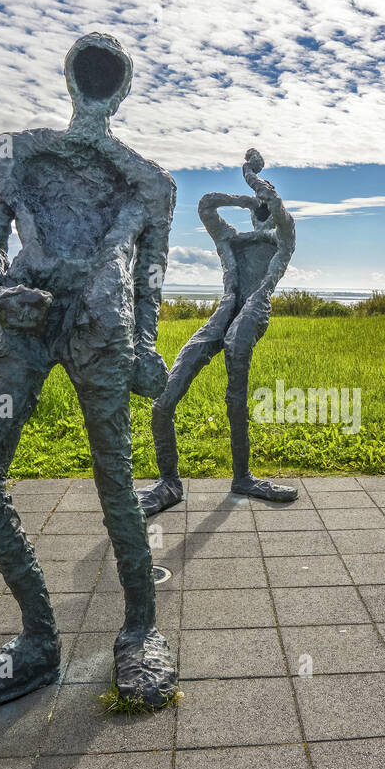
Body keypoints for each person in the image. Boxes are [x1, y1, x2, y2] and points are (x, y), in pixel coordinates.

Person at [0, 33, 179, 718]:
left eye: (107, 75)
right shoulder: (15, 153)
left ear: (119, 88)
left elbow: (150, 280)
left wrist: (143, 347)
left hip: (101, 327)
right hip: (25, 320)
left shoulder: (149, 181)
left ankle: (139, 627)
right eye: (93, 72)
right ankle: (39, 636)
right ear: (77, 77)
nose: (97, 84)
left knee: (117, 484)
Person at [137, 149, 298, 516]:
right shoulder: (228, 238)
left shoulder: (283, 237)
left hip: (255, 309)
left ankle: (242, 477)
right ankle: (169, 483)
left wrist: (251, 176)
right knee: (166, 397)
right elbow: (207, 204)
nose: (261, 212)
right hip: (227, 309)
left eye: (263, 208)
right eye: (259, 209)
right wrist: (246, 198)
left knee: (234, 387)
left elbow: (276, 203)